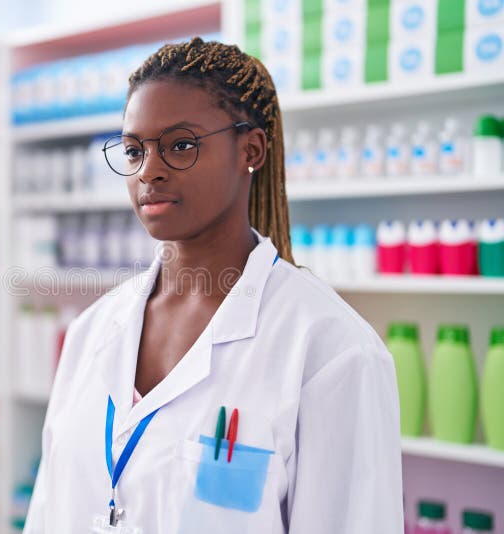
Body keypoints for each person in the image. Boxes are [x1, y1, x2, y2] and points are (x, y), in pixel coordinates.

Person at [23, 37, 403, 533]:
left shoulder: (331, 349)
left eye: (180, 145)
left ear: (250, 150)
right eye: (134, 150)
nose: (149, 171)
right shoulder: (91, 333)